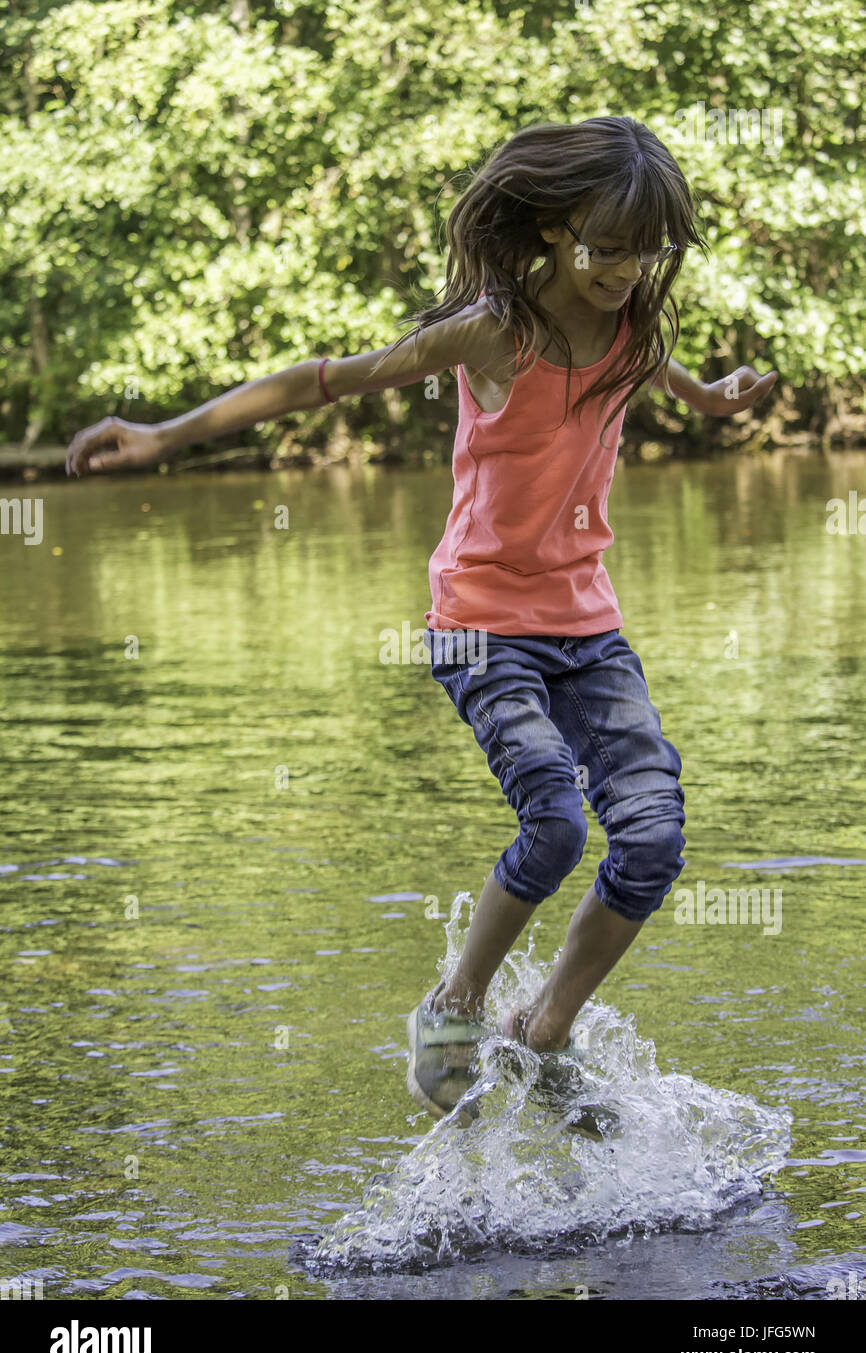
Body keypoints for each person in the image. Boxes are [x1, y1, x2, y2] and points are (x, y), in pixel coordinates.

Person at [66, 116, 778, 1125]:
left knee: (654, 839)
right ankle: (454, 1008)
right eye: (605, 246)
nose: (624, 269)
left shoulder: (628, 333)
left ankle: (544, 1030)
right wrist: (164, 433)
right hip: (479, 621)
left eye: (645, 251)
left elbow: (670, 382)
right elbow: (319, 381)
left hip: (587, 626)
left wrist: (714, 400)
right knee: (554, 821)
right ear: (555, 225)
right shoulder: (494, 329)